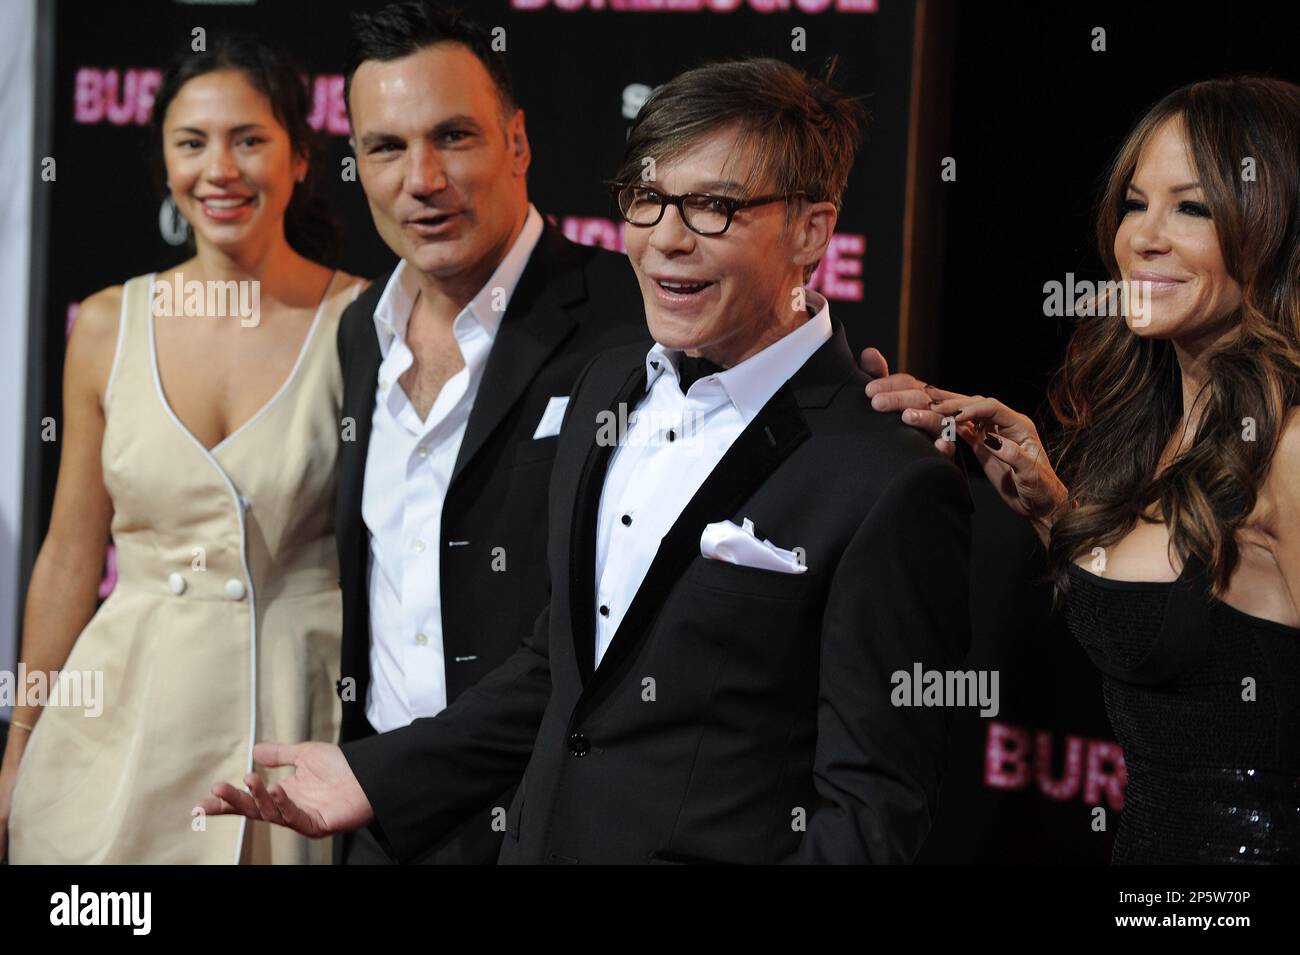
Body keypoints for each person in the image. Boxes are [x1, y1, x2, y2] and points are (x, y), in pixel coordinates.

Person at [199, 56, 973, 865]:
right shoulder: (607, 383)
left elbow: (869, 819)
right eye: (647, 199)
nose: (667, 239)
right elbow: (560, 668)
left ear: (813, 230)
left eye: (714, 206)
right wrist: (376, 774)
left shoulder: (887, 476)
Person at [864, 76, 1300, 863]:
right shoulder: (1159, 425)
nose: (1143, 237)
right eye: (1135, 203)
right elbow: (1185, 655)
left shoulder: (1293, 451)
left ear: (1275, 229)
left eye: (1191, 208)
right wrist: (1047, 507)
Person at [0, 35, 366, 864]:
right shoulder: (104, 325)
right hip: (122, 726)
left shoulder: (365, 323)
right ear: (165, 160)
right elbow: (67, 553)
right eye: (191, 142)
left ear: (301, 156)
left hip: (299, 728)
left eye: (249, 139)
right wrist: (18, 743)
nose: (220, 170)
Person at [332, 1, 648, 864]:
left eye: (454, 137)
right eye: (385, 147)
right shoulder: (360, 330)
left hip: (557, 820)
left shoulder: (634, 321)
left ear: (517, 142)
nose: (421, 179)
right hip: (380, 826)